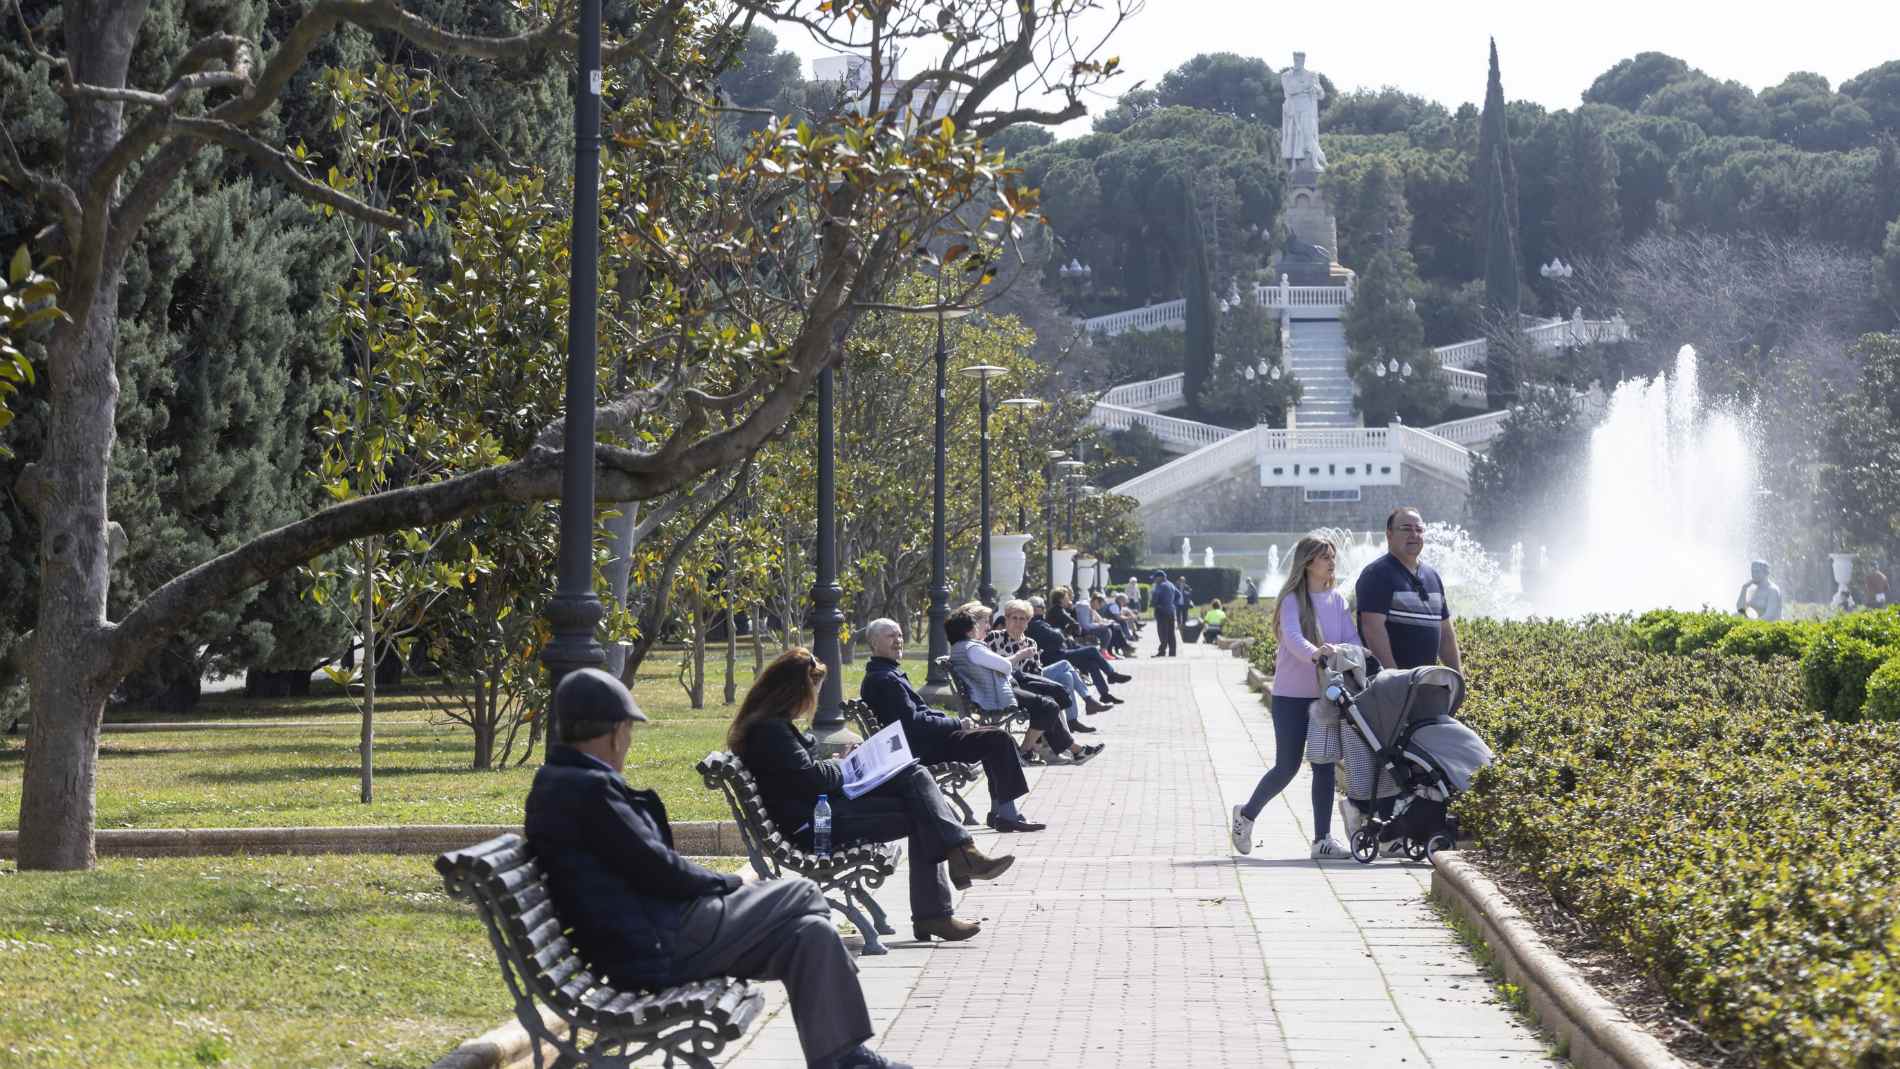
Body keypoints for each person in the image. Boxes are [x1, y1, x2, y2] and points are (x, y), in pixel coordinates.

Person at [525, 668, 910, 1069]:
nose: (628, 742)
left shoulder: (563, 782)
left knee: (811, 933)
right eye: (628, 730)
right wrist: (732, 882)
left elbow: (646, 865)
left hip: (644, 935)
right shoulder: (589, 790)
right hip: (656, 943)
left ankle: (846, 1060)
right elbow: (660, 870)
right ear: (614, 732)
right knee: (803, 894)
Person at [732, 649, 1011, 944]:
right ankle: (955, 874)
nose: (816, 699)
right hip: (815, 825)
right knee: (921, 804)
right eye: (815, 690)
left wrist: (845, 764)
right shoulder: (771, 731)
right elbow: (813, 779)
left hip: (819, 812)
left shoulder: (770, 725)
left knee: (914, 778)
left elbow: (806, 775)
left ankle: (953, 879)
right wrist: (842, 765)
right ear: (795, 691)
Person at [1229, 536, 1360, 861]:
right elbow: (1292, 637)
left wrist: (1350, 653)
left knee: (1324, 765)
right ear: (1307, 563)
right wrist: (1316, 653)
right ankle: (1246, 815)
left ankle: (1322, 839)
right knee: (1287, 766)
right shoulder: (1292, 600)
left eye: (1332, 556)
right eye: (1323, 557)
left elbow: (1352, 638)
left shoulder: (1337, 600)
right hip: (1290, 697)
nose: (1331, 562)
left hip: (1326, 697)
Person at [860, 618, 1046, 833]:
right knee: (998, 739)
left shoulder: (885, 673)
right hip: (920, 749)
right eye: (891, 636)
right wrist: (956, 723)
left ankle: (1002, 812)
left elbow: (916, 716)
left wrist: (952, 722)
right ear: (874, 643)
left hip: (922, 742)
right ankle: (1007, 814)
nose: (898, 641)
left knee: (994, 736)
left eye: (900, 635)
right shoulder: (885, 679)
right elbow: (913, 723)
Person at [948, 607, 1104, 765]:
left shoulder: (962, 648)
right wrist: (1019, 656)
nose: (984, 627)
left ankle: (1068, 750)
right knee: (1048, 706)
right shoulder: (973, 649)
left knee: (1049, 701)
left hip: (995, 690)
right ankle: (1028, 751)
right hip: (996, 695)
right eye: (978, 624)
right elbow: (1006, 666)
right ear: (968, 631)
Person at [1355, 507, 1460, 674]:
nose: (1414, 534)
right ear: (1389, 534)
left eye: (1419, 529)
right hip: (1388, 689)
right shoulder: (1377, 574)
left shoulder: (1433, 576)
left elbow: (1445, 633)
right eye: (1406, 529)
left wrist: (1457, 679)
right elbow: (1373, 630)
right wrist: (1395, 680)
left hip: (1425, 684)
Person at [993, 599, 1111, 717]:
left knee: (1067, 676)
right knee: (1066, 664)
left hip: (1033, 677)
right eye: (1014, 618)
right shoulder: (996, 637)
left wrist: (1034, 659)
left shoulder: (1029, 641)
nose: (1018, 622)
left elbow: (1036, 669)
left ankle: (1072, 720)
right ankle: (1088, 700)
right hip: (1014, 682)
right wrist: (1020, 655)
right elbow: (1000, 666)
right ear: (1007, 618)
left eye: (1022, 619)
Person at [1027, 596, 1129, 702]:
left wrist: (1062, 633)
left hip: (1060, 653)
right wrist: (1062, 632)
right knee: (1092, 651)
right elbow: (1058, 637)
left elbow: (1059, 635)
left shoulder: (1040, 622)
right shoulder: (1036, 623)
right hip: (1056, 657)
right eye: (1042, 607)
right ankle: (1111, 674)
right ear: (1034, 609)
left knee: (1092, 663)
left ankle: (1104, 694)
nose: (1044, 609)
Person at [1148, 570, 1181, 656]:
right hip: (1171, 611)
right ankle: (1172, 652)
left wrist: (1153, 604)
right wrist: (1172, 604)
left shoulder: (1160, 585)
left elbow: (1155, 596)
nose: (1154, 580)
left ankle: (1162, 651)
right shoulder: (1171, 584)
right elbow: (1179, 595)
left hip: (1161, 611)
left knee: (1163, 632)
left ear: (1160, 578)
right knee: (1171, 632)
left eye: (1155, 578)